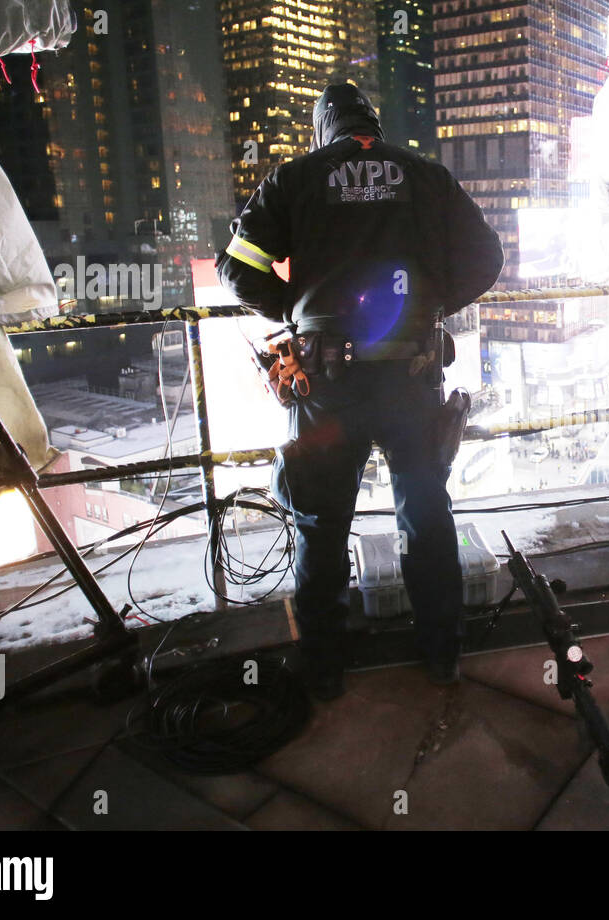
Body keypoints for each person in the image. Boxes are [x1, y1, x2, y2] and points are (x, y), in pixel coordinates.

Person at [216, 82, 504, 698]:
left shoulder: (294, 179)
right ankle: (442, 654)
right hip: (410, 376)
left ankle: (324, 669)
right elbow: (486, 256)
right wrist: (426, 308)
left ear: (324, 131)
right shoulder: (426, 176)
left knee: (320, 523)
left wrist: (296, 313)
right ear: (371, 122)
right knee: (424, 514)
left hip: (327, 384)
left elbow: (236, 267)